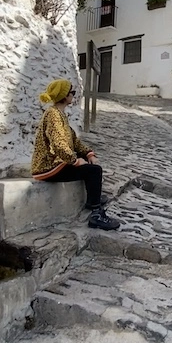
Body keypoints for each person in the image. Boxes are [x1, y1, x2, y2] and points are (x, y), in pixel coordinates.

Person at [31, 79, 120, 231]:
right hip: (48, 166)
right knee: (94, 171)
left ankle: (94, 199)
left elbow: (74, 141)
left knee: (89, 162)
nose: (73, 95)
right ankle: (96, 214)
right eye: (71, 92)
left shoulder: (60, 115)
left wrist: (88, 153)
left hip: (57, 162)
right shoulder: (53, 115)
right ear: (65, 96)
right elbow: (59, 144)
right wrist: (74, 161)